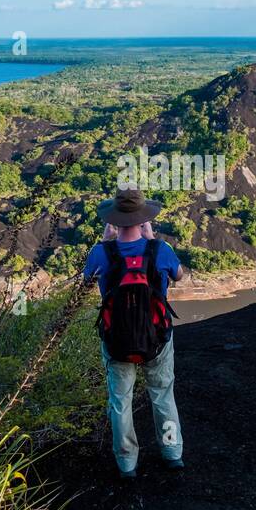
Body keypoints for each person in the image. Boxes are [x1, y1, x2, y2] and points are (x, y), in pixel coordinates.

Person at [83, 188, 186, 480]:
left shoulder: (101, 253)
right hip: (157, 338)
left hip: (117, 340)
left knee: (120, 401)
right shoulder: (161, 250)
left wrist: (106, 241)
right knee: (163, 396)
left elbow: (87, 280)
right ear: (143, 219)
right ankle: (172, 452)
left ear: (114, 219)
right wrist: (152, 239)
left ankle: (127, 464)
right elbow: (179, 276)